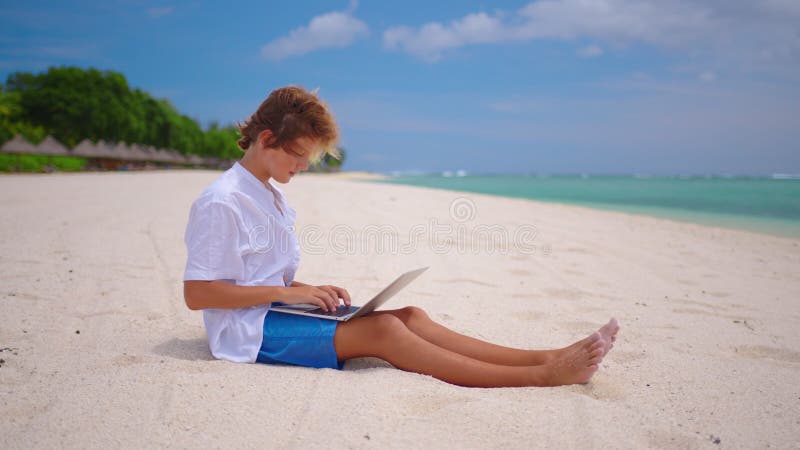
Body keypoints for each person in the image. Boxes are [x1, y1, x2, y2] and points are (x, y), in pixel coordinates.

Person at [182, 86, 620, 388]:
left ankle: (543, 356)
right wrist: (287, 292)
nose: (303, 165)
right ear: (266, 138)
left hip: (275, 310)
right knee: (386, 333)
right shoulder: (222, 200)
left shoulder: (266, 195)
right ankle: (541, 377)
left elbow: (253, 274)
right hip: (248, 332)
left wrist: (308, 290)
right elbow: (199, 293)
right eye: (299, 155)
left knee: (410, 314)